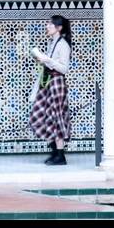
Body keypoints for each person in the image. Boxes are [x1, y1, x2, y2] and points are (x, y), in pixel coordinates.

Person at [28, 15, 72, 166]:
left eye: (50, 24)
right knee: (44, 116)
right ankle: (55, 151)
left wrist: (47, 60)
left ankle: (60, 155)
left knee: (57, 117)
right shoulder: (52, 43)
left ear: (59, 28)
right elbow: (50, 64)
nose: (47, 26)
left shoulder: (63, 45)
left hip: (56, 83)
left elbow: (64, 69)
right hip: (47, 82)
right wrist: (43, 60)